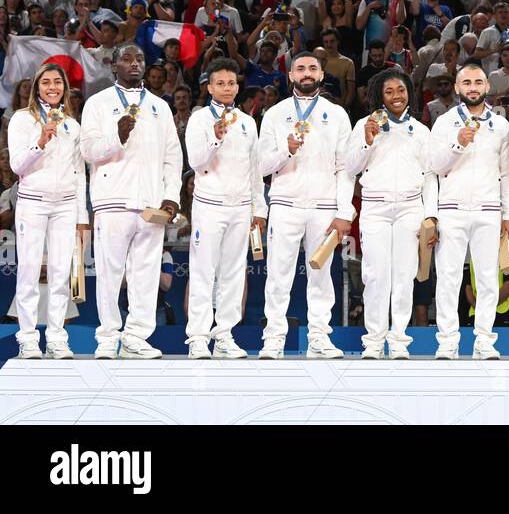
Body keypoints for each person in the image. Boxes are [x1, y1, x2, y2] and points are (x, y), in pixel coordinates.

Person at [80, 44, 183, 359]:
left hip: (151, 204)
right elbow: (88, 151)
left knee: (147, 274)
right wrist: (117, 137)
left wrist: (171, 196)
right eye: (127, 58)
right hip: (112, 199)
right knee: (110, 273)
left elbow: (172, 156)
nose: (135, 63)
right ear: (114, 65)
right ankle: (109, 338)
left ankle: (136, 336)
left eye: (139, 58)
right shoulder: (98, 103)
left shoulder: (159, 107)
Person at [257, 51, 354, 359]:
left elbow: (346, 168)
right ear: (290, 76)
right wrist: (285, 150)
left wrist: (343, 211)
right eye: (301, 68)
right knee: (278, 274)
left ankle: (319, 338)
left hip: (324, 206)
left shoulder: (337, 114)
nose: (307, 73)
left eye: (313, 68)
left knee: (321, 275)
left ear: (322, 75)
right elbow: (260, 166)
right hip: (285, 203)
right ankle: (273, 339)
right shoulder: (274, 114)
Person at [428, 61, 509, 360]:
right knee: (449, 277)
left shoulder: (501, 125)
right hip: (451, 209)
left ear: (487, 86)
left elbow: (508, 173)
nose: (473, 88)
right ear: (457, 87)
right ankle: (448, 341)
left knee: (489, 278)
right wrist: (457, 144)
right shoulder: (444, 123)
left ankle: (484, 341)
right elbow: (434, 167)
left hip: (489, 210)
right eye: (466, 83)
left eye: (478, 82)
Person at [346, 70, 438, 359]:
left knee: (404, 274)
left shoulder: (421, 131)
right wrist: (367, 140)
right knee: (375, 275)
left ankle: (399, 339)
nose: (396, 96)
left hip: (411, 207)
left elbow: (431, 176)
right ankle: (374, 340)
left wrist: (431, 216)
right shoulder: (365, 124)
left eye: (401, 90)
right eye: (389, 92)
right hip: (375, 207)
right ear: (379, 95)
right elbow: (350, 167)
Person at [184, 58, 267, 359]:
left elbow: (255, 169)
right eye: (220, 83)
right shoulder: (199, 119)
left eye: (231, 83)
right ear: (209, 87)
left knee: (234, 273)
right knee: (203, 271)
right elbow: (195, 161)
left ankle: (224, 336)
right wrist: (215, 139)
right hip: (209, 206)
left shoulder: (246, 122)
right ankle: (197, 337)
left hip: (241, 206)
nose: (227, 88)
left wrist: (260, 208)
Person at [9, 63, 88, 359]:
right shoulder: (21, 120)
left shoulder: (72, 125)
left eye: (58, 82)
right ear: (37, 87)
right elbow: (17, 165)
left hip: (65, 205)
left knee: (59, 272)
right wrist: (40, 142)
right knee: (29, 270)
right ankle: (28, 338)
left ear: (65, 88)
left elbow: (79, 174)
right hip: (32, 201)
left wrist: (82, 218)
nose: (52, 87)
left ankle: (57, 338)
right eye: (46, 83)